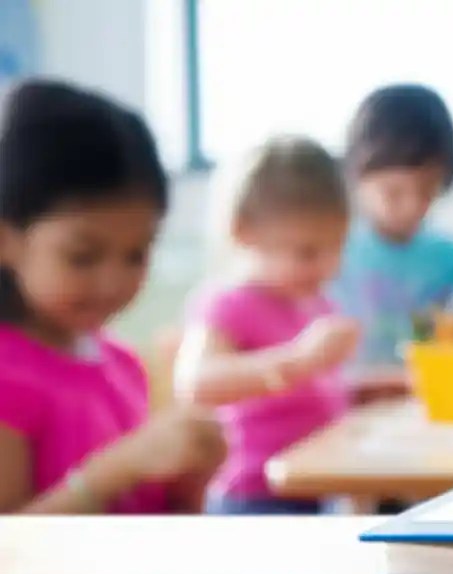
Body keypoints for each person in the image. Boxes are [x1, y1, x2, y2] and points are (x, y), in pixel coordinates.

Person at [0, 80, 225, 513]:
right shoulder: (8, 377)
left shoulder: (121, 364)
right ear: (6, 238)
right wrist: (120, 468)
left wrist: (189, 481)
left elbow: (148, 523)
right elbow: (7, 553)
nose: (113, 282)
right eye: (82, 257)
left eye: (136, 254)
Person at [175, 137, 358, 514]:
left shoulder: (312, 301)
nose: (328, 267)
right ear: (243, 232)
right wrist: (298, 360)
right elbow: (196, 382)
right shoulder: (228, 303)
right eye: (306, 252)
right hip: (251, 496)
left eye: (336, 247)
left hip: (316, 488)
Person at [332, 84, 453, 398]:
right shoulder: (330, 254)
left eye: (427, 190)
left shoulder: (450, 258)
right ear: (357, 177)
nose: (413, 205)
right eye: (393, 192)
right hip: (345, 407)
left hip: (426, 402)